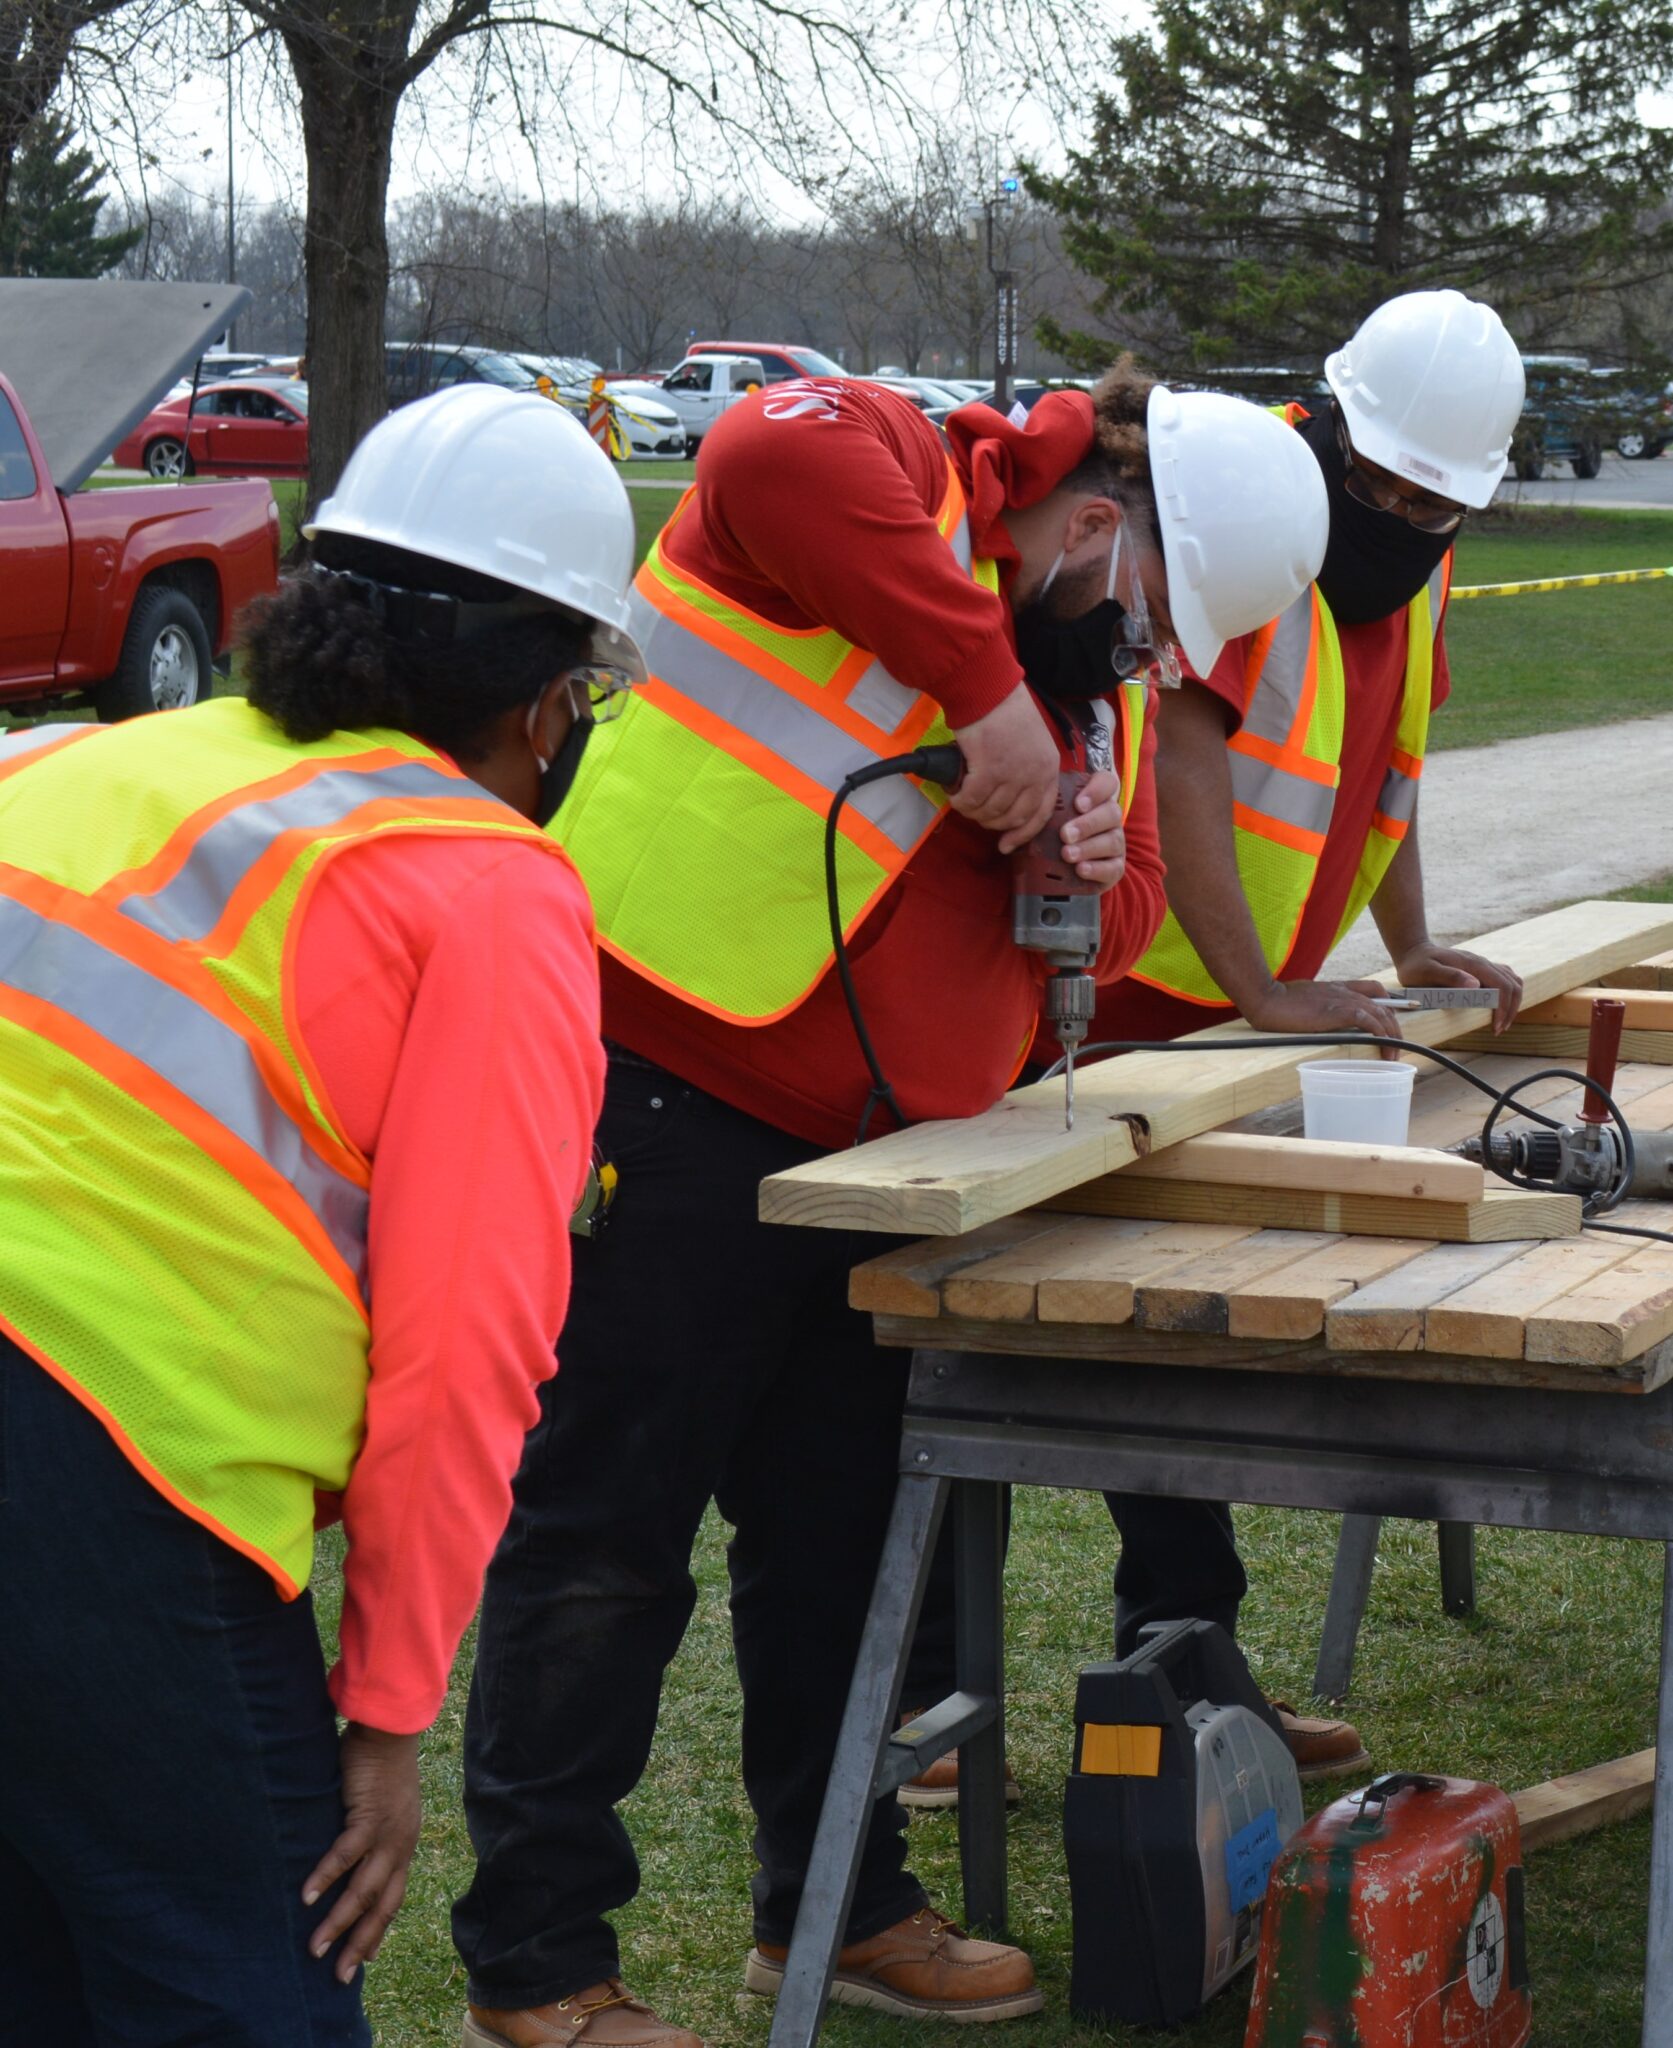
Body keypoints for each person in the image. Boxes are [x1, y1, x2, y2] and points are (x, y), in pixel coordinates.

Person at [453, 363, 1329, 2047]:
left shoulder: (1084, 679)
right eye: (1145, 619)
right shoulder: (892, 472)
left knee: (839, 1558)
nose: (1144, 660)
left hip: (883, 1169)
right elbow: (754, 448)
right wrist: (985, 695)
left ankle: (835, 1908)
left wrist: (1085, 856)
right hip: (671, 1102)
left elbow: (1125, 907)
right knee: (605, 1544)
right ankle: (537, 1961)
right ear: (1091, 525)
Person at [0, 382, 642, 2044]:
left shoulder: (78, 757)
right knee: (239, 1993)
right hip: (101, 1459)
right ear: (549, 702)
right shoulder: (486, 884)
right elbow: (467, 1348)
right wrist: (387, 1712)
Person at [1089, 288, 1528, 1782]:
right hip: (1128, 994)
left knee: (1163, 1366)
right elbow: (1184, 752)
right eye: (1385, 485)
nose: (1401, 519)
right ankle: (935, 1699)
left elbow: (1388, 762)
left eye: (1433, 503)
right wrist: (1260, 987)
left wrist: (1409, 941)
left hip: (1223, 1013)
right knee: (1009, 1362)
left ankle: (1189, 1681)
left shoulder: (1421, 568)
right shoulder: (1245, 503)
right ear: (1333, 426)